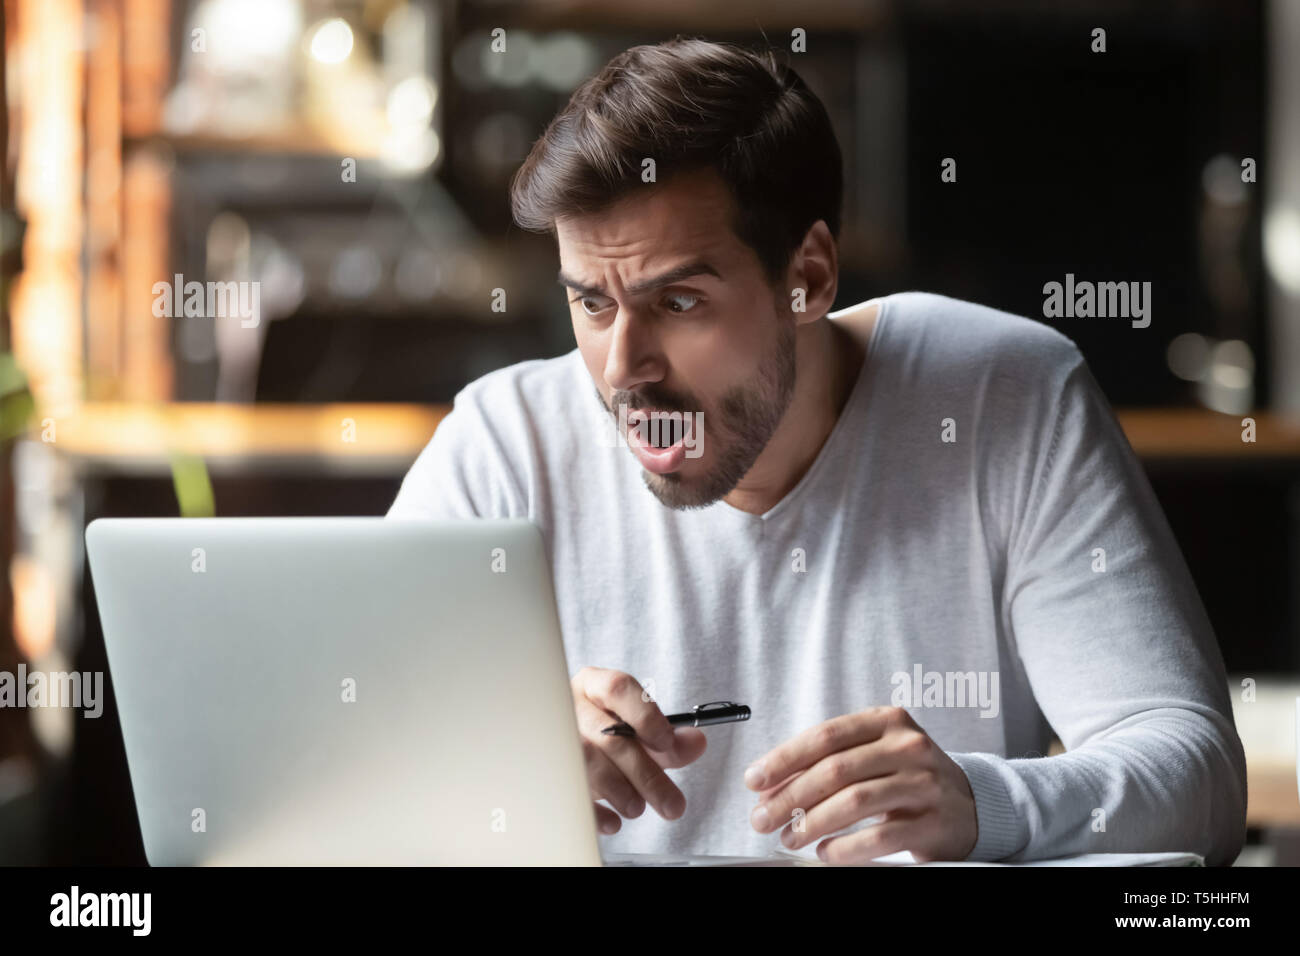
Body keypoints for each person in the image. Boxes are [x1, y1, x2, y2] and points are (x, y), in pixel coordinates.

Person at [389, 37, 1247, 864]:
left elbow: (1199, 780)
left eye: (678, 303)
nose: (622, 370)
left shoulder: (1004, 397)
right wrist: (497, 756)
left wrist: (983, 803)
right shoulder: (506, 444)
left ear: (809, 277)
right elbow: (343, 748)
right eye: (592, 303)